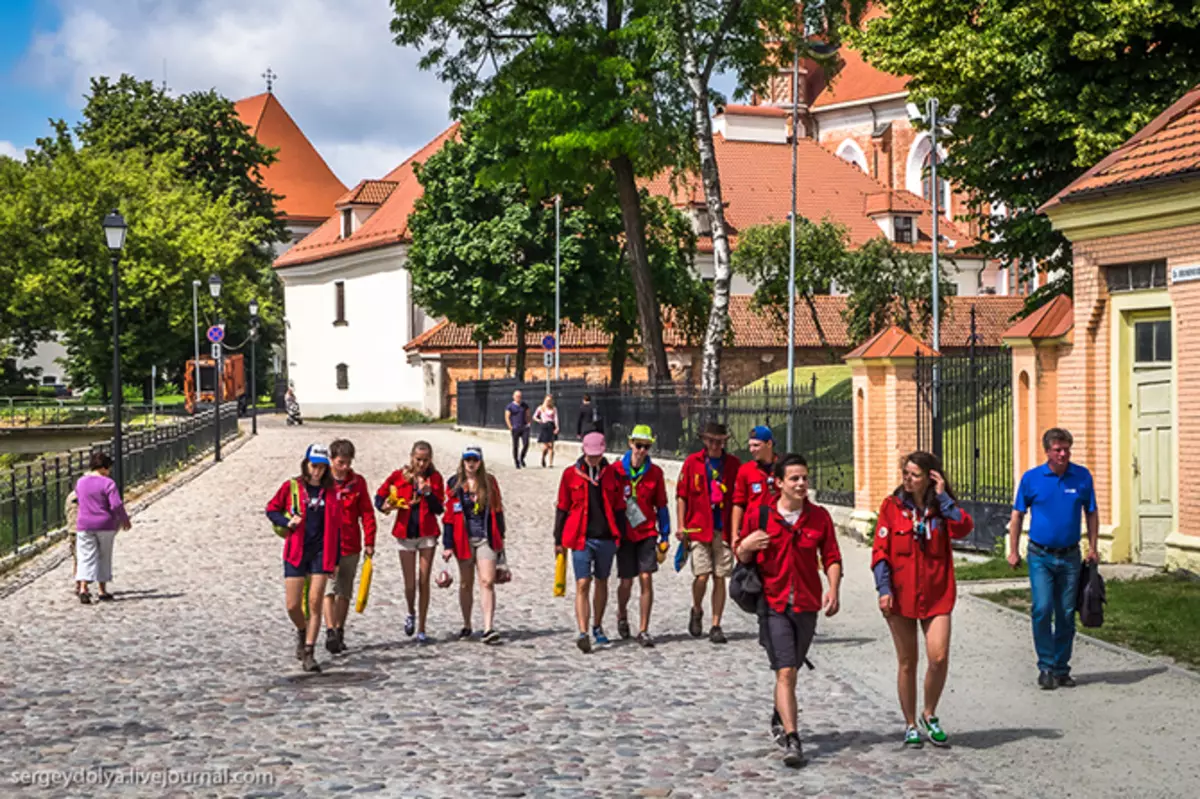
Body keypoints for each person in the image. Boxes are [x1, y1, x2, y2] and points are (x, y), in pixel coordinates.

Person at [736, 454, 842, 768]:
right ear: (779, 483)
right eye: (794, 478)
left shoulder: (819, 517)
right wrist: (746, 546)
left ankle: (780, 714)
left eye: (804, 478)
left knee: (791, 670)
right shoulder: (760, 514)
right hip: (773, 603)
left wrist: (833, 588)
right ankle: (793, 739)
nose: (801, 484)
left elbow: (832, 556)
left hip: (807, 605)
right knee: (786, 671)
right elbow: (740, 554)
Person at [872, 452, 975, 748]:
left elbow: (964, 528)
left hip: (937, 593)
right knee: (907, 661)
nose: (907, 479)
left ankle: (930, 713)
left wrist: (943, 499)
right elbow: (880, 552)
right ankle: (909, 723)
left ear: (930, 478)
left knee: (938, 657)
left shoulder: (941, 509)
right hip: (900, 596)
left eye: (914, 475)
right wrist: (883, 589)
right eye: (905, 473)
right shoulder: (891, 507)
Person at [1008, 427, 1099, 690]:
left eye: (1066, 449)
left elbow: (1091, 512)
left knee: (1066, 613)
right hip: (1040, 555)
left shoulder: (1081, 477)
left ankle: (1061, 667)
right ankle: (1045, 666)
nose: (1063, 454)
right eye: (1057, 449)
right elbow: (1017, 516)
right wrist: (1013, 550)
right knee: (1042, 608)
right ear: (1047, 451)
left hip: (1070, 555)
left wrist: (1093, 546)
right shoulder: (1032, 479)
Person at [266, 443, 342, 673]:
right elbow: (271, 509)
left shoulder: (331, 493)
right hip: (297, 550)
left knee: (315, 602)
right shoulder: (292, 487)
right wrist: (286, 522)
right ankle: (301, 630)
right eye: (313, 466)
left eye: (321, 467)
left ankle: (309, 651)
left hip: (321, 552)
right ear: (306, 465)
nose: (317, 471)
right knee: (292, 605)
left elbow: (336, 528)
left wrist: (335, 560)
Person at [553, 430, 628, 653]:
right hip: (579, 537)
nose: (593, 458)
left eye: (597, 454)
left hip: (606, 537)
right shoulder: (570, 475)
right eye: (590, 454)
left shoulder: (612, 475)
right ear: (583, 452)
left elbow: (620, 508)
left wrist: (620, 538)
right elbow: (562, 508)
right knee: (582, 583)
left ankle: (597, 625)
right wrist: (558, 539)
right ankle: (583, 631)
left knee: (602, 581)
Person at [676, 421, 742, 643]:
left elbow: (738, 500)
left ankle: (716, 624)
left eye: (720, 442)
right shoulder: (692, 463)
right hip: (698, 526)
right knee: (702, 575)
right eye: (711, 441)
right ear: (704, 441)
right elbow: (682, 495)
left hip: (723, 528)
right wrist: (680, 525)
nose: (715, 445)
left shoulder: (733, 465)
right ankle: (696, 608)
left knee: (720, 576)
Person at [376, 441, 445, 644]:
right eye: (418, 459)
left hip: (427, 533)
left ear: (430, 459)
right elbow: (380, 497)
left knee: (424, 580)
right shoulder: (399, 476)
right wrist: (386, 506)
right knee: (410, 582)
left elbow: (439, 508)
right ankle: (410, 611)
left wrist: (428, 492)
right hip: (405, 533)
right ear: (411, 457)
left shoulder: (435, 478)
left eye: (425, 460)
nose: (421, 464)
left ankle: (422, 627)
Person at [610, 425, 670, 647]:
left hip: (646, 532)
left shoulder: (655, 474)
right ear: (630, 444)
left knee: (646, 577)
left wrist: (665, 534)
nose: (642, 451)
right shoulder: (617, 471)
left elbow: (662, 505)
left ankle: (643, 629)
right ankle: (622, 612)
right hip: (625, 533)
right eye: (638, 446)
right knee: (626, 581)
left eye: (646, 447)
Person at [442, 446, 506, 644]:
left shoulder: (489, 482)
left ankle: (488, 627)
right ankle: (467, 624)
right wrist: (448, 544)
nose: (471, 463)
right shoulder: (454, 483)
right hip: (463, 538)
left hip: (485, 537)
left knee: (487, 581)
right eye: (468, 459)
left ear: (480, 462)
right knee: (466, 583)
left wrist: (501, 541)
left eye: (475, 460)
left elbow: (498, 510)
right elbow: (449, 516)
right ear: (462, 461)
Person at [323, 439, 377, 655]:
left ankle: (339, 629)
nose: (344, 467)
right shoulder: (323, 481)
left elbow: (367, 513)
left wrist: (370, 541)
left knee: (344, 590)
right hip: (327, 545)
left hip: (350, 544)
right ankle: (329, 631)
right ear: (332, 460)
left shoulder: (357, 483)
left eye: (347, 463)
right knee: (329, 589)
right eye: (340, 463)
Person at [73, 451, 131, 604]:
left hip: (84, 524)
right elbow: (116, 504)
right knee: (104, 556)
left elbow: (79, 500)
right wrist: (124, 519)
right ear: (104, 467)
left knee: (85, 556)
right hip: (105, 524)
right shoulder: (108, 483)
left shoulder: (80, 482)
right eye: (109, 468)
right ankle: (101, 590)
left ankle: (84, 588)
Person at [730, 426, 780, 552]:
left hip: (779, 530)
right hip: (753, 532)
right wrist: (735, 534)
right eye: (750, 445)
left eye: (756, 445)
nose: (752, 450)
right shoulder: (745, 471)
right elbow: (738, 503)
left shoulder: (784, 467)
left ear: (769, 444)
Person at [505, 390, 532, 469]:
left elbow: (528, 414)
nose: (518, 398)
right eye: (517, 396)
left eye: (520, 396)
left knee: (526, 443)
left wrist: (529, 423)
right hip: (515, 427)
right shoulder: (510, 406)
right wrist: (510, 427)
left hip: (524, 427)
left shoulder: (524, 405)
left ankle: (522, 457)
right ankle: (516, 461)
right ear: (513, 397)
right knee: (515, 445)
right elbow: (507, 417)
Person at [533, 395, 560, 468]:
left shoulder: (554, 408)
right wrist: (539, 420)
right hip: (544, 426)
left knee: (551, 445)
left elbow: (555, 418)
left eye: (550, 400)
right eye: (547, 400)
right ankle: (543, 457)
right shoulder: (541, 408)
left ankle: (550, 463)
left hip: (551, 426)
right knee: (546, 446)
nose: (548, 402)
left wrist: (557, 427)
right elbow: (534, 416)